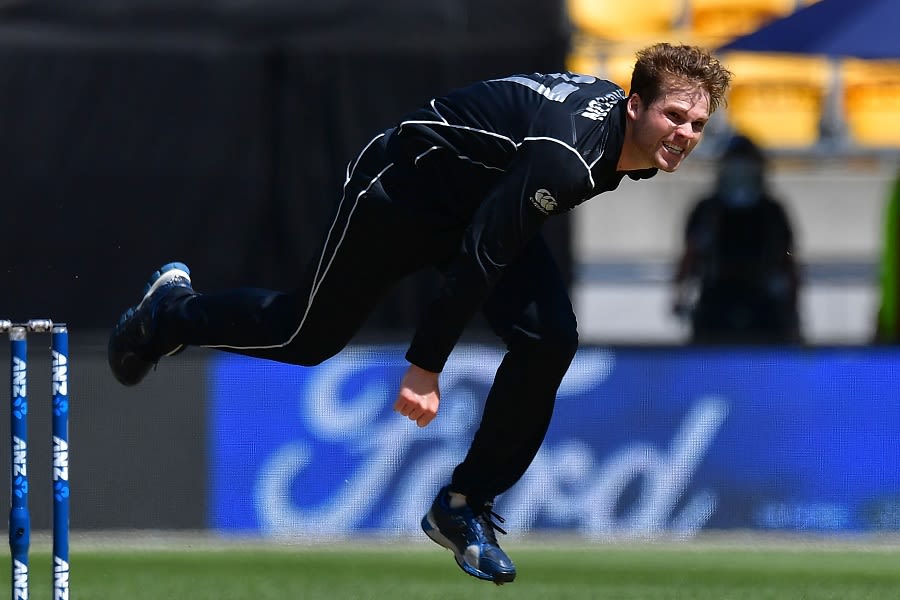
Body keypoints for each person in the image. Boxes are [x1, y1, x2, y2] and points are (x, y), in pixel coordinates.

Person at [109, 43, 732, 584]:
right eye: (673, 116)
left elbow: (490, 218)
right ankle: (170, 313)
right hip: (399, 193)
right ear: (634, 106)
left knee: (549, 339)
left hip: (469, 197)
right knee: (302, 337)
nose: (684, 134)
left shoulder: (621, 144)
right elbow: (482, 256)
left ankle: (463, 503)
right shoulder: (565, 158)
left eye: (698, 124)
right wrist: (424, 367)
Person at [672, 134, 802, 344]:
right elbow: (690, 253)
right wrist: (679, 293)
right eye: (734, 160)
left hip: (764, 306)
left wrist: (793, 312)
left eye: (746, 160)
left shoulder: (772, 212)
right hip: (715, 303)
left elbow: (789, 261)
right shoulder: (707, 210)